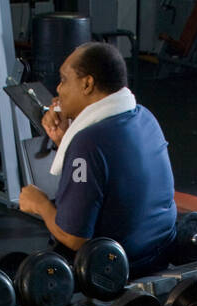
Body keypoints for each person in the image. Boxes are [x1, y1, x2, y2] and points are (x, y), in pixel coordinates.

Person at [17, 42, 178, 276]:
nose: (58, 90)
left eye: (63, 80)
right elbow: (107, 169)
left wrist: (39, 204)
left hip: (116, 269)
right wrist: (65, 142)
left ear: (87, 84)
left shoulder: (88, 143)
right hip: (160, 254)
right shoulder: (144, 117)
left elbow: (74, 238)